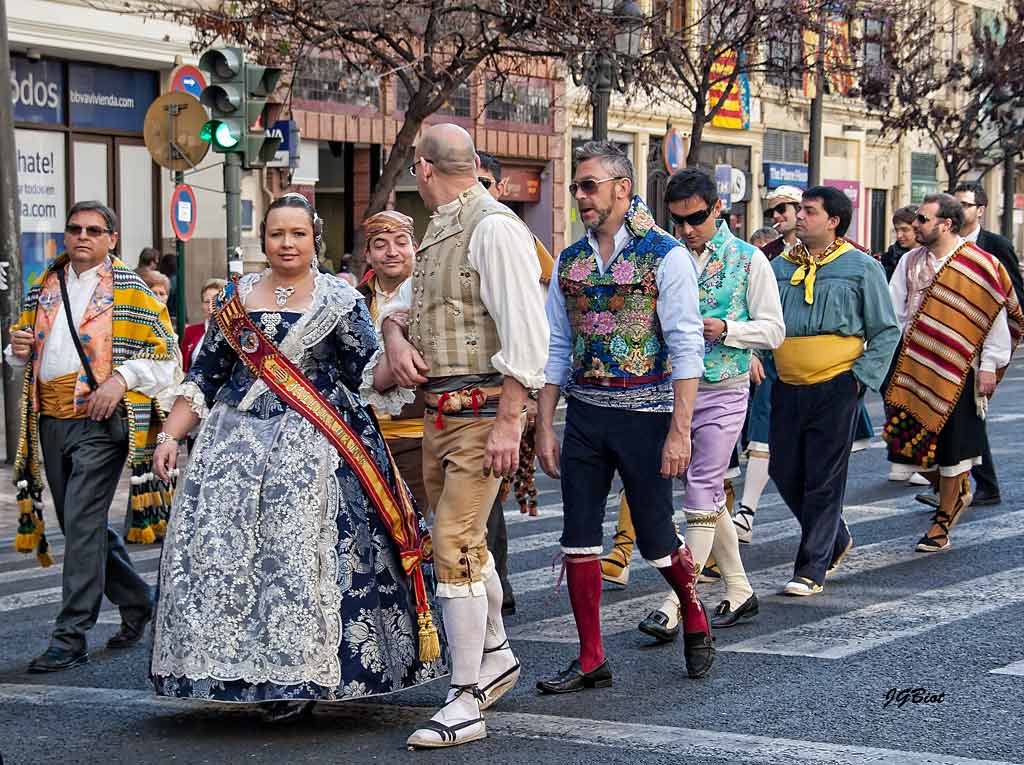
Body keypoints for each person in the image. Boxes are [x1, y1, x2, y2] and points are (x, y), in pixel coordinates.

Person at [149, 193, 448, 723]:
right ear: (263, 240)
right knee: (230, 558)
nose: (286, 244)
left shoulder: (340, 300)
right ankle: (237, 670)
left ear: (315, 240)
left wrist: (402, 354)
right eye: (276, 234)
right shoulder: (235, 301)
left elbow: (366, 371)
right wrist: (170, 436)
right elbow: (205, 376)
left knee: (297, 556)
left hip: (318, 446)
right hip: (233, 450)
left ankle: (301, 675)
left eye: (297, 234)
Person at [381, 124, 547, 748]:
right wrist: (396, 339)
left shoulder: (494, 226)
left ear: (423, 169)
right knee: (459, 540)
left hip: (481, 412)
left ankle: (465, 696)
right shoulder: (444, 226)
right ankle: (496, 651)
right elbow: (404, 308)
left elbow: (528, 335)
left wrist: (511, 422)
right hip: (440, 413)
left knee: (453, 541)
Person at [534, 141, 713, 693]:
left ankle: (693, 609)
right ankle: (591, 658)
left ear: (622, 188)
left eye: (590, 185)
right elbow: (556, 346)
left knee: (658, 539)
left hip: (647, 416)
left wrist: (680, 430)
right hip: (586, 414)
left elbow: (686, 345)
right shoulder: (571, 260)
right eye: (577, 186)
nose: (581, 196)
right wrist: (544, 424)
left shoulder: (665, 254)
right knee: (578, 539)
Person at [7, 201, 177, 672]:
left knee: (82, 521)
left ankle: (71, 635)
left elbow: (168, 355)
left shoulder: (131, 290)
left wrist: (121, 378)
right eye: (75, 228)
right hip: (50, 418)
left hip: (102, 423)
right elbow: (23, 350)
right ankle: (138, 599)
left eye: (94, 230)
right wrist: (18, 348)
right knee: (79, 524)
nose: (82, 236)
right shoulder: (45, 284)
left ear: (111, 239)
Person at [633, 168, 784, 640]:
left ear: (719, 208)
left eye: (695, 218)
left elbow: (774, 330)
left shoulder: (748, 260)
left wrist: (729, 330)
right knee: (709, 492)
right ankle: (739, 588)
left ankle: (676, 601)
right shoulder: (668, 256)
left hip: (724, 388)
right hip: (673, 389)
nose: (687, 229)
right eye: (677, 220)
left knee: (700, 489)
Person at [769, 186, 900, 596]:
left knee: (823, 478)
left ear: (833, 221)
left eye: (809, 211)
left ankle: (811, 567)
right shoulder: (776, 266)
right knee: (784, 471)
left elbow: (885, 330)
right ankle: (835, 535)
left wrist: (859, 379)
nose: (800, 217)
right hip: (786, 385)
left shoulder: (861, 267)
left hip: (837, 384)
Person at [884, 194, 1021, 552]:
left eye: (923, 219)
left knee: (953, 449)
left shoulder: (981, 264)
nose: (916, 225)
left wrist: (989, 367)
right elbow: (893, 310)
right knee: (905, 448)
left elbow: (994, 322)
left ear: (946, 224)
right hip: (910, 367)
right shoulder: (909, 261)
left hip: (960, 367)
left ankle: (943, 520)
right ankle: (956, 487)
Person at [476, 150, 552, 614]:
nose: (478, 191)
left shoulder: (511, 234)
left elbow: (534, 319)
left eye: (486, 182)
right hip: (454, 392)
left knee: (490, 493)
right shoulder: (450, 233)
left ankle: (497, 588)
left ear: (499, 189)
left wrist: (524, 402)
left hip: (506, 385)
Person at [949, 183, 1023, 506]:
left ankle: (975, 483)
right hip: (950, 338)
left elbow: (1015, 297)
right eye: (955, 204)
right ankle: (962, 482)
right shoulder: (945, 243)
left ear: (980, 210)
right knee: (959, 412)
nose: (958, 210)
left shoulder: (995, 245)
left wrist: (998, 345)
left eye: (965, 205)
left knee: (969, 411)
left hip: (984, 343)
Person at [356, 210, 429, 514]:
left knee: (415, 531)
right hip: (364, 441)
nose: (391, 252)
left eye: (401, 242)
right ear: (368, 255)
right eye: (380, 244)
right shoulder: (354, 302)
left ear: (415, 248)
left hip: (419, 438)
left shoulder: (431, 295)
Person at [182, 278, 228, 373]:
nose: (211, 307)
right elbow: (183, 367)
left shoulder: (236, 333)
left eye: (216, 301)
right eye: (207, 302)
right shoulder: (190, 332)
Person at [881, 205, 918, 282]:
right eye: (896, 230)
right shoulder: (888, 259)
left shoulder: (930, 256)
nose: (899, 235)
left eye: (905, 230)